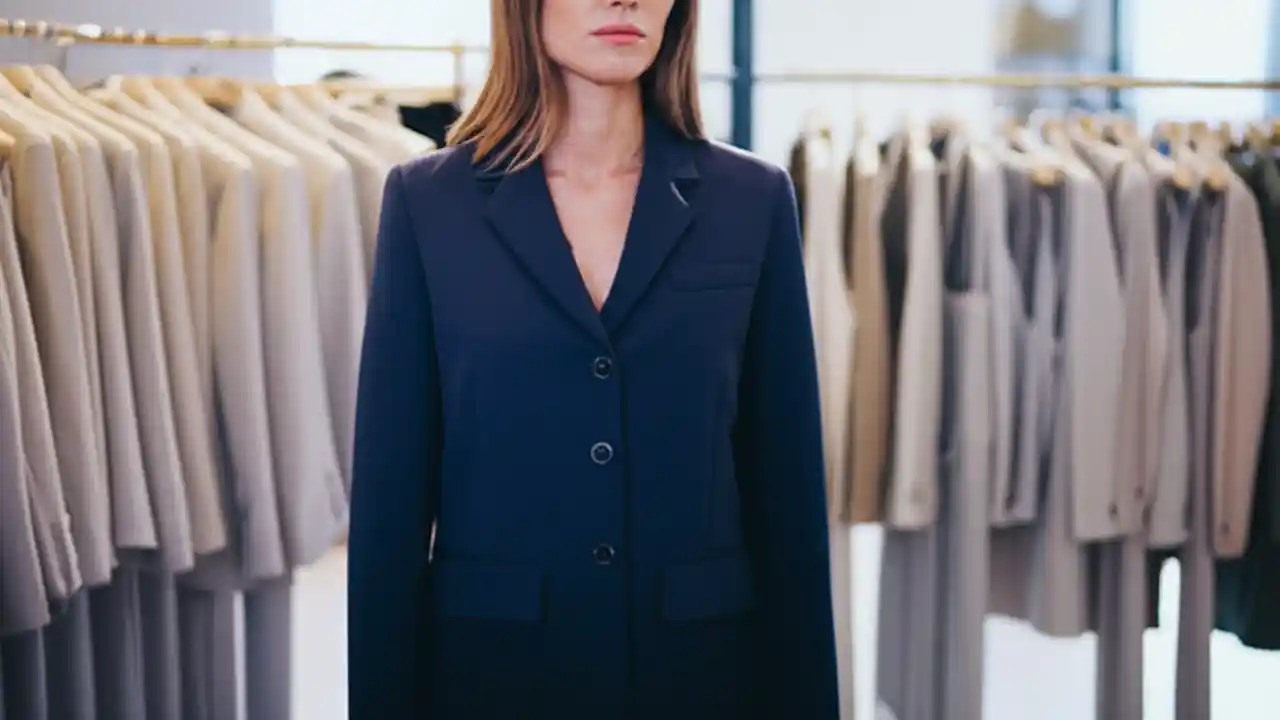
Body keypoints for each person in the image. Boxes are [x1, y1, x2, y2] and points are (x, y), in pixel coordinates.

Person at [347, 0, 839, 717]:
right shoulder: (430, 205)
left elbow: (788, 500)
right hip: (494, 676)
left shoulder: (752, 202)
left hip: (700, 676)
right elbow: (391, 504)